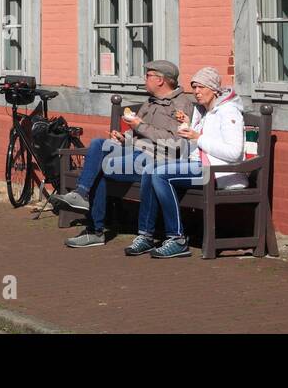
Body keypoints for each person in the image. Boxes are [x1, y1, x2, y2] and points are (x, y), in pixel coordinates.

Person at [55, 60, 191, 248]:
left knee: (99, 168)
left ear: (160, 80)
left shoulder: (180, 105)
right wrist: (123, 138)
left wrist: (139, 126)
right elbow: (137, 133)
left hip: (156, 160)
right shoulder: (150, 102)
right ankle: (81, 193)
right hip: (134, 152)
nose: (145, 79)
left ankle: (95, 231)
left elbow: (175, 142)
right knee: (98, 145)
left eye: (148, 75)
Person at [126, 66, 246, 259]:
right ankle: (146, 235)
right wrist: (188, 128)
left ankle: (177, 238)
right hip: (198, 165)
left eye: (201, 88)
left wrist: (197, 137)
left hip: (217, 171)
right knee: (151, 169)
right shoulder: (205, 111)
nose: (196, 93)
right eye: (194, 88)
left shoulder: (229, 112)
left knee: (160, 174)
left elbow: (234, 152)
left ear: (214, 89)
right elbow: (196, 142)